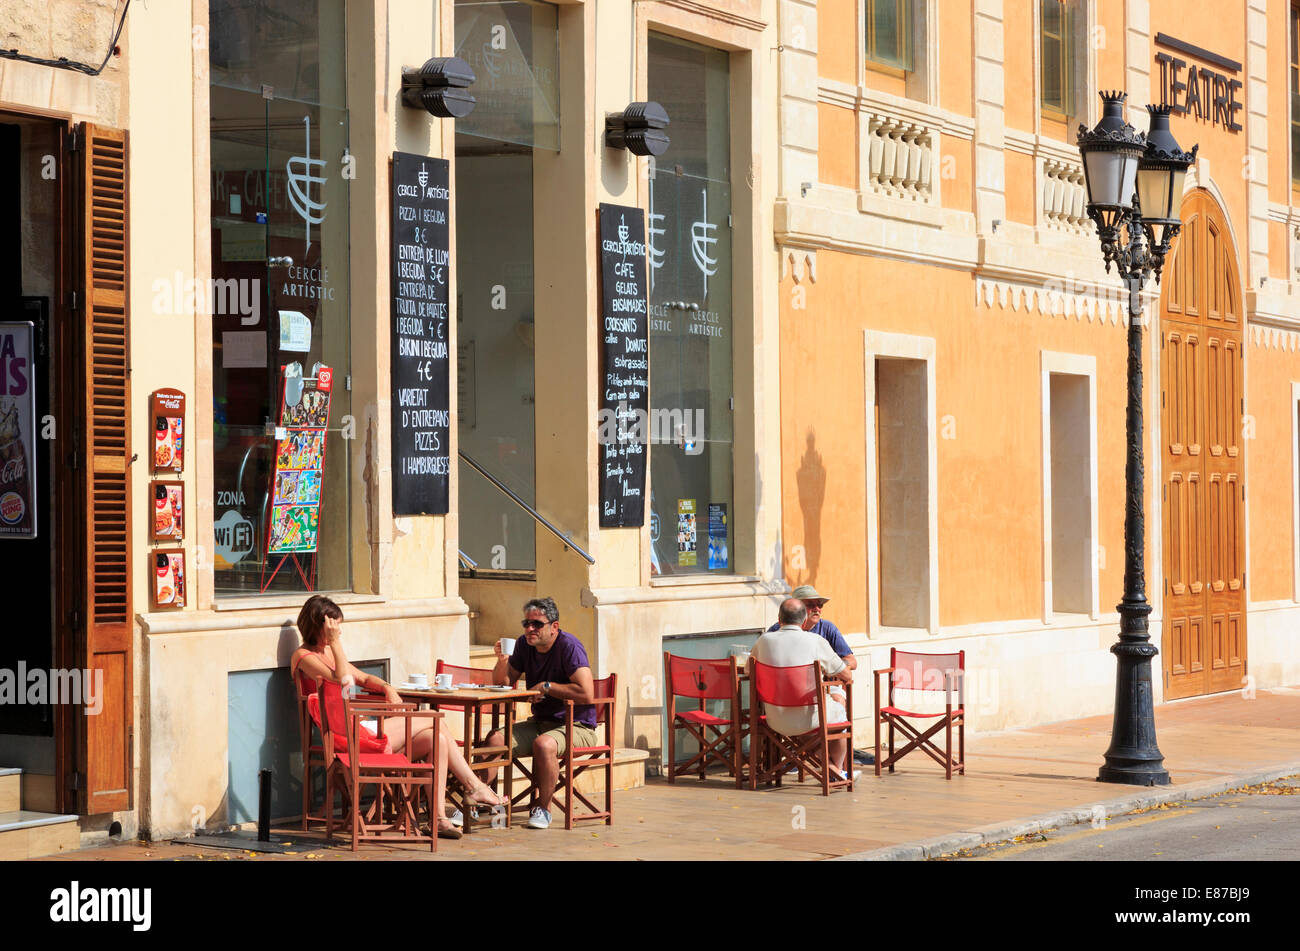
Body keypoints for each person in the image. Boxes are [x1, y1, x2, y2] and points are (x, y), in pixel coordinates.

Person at [290, 595, 506, 840]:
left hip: (359, 727)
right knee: (432, 719)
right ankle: (475, 786)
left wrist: (386, 687)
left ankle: (439, 819)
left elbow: (362, 678)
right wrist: (335, 642)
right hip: (342, 737)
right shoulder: (303, 656)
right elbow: (340, 677)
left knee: (437, 739)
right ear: (320, 626)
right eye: (334, 627)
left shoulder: (329, 652)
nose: (338, 632)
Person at [484, 597, 596, 830]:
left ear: (554, 626)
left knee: (545, 745)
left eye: (537, 624)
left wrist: (548, 686)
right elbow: (503, 683)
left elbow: (587, 693)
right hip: (540, 723)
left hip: (577, 725)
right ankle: (481, 801)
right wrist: (502, 660)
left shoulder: (569, 647)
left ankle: (543, 809)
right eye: (526, 623)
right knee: (495, 738)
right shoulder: (524, 645)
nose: (530, 629)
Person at [752, 598, 856, 781]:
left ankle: (826, 766)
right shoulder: (815, 641)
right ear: (803, 620)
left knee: (824, 707)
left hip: (774, 719)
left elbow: (748, 669)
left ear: (779, 618)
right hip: (810, 720)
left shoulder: (763, 641)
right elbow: (847, 676)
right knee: (839, 708)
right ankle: (835, 769)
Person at [767, 584, 856, 669]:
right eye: (810, 605)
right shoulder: (778, 629)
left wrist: (832, 667)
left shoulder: (827, 628)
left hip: (823, 684)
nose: (817, 609)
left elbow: (852, 661)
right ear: (796, 608)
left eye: (819, 605)